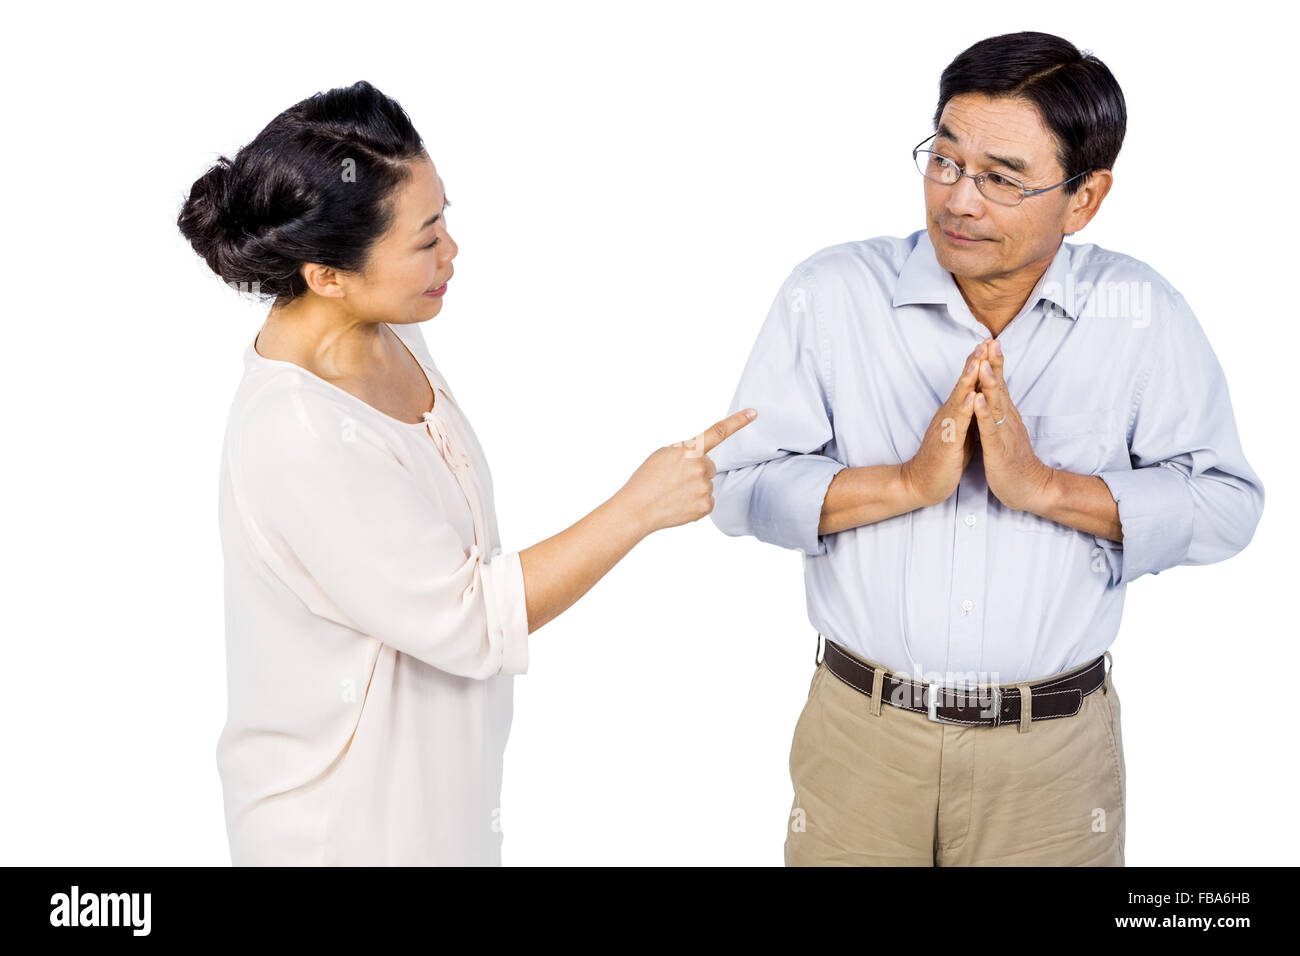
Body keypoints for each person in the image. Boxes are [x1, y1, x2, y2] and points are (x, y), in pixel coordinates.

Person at [709, 31, 1264, 866]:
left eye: (1001, 178)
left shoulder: (1141, 314)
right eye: (944, 159)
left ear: (1085, 199)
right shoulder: (830, 295)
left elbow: (1229, 506)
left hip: (1051, 764)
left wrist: (1046, 488)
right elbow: (732, 486)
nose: (958, 199)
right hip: (861, 742)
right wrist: (904, 481)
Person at [178, 80, 755, 865]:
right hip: (344, 835)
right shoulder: (299, 431)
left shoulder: (387, 334)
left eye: (445, 218)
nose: (451, 252)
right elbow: (472, 618)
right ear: (326, 275)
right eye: (424, 240)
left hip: (439, 812)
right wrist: (639, 508)